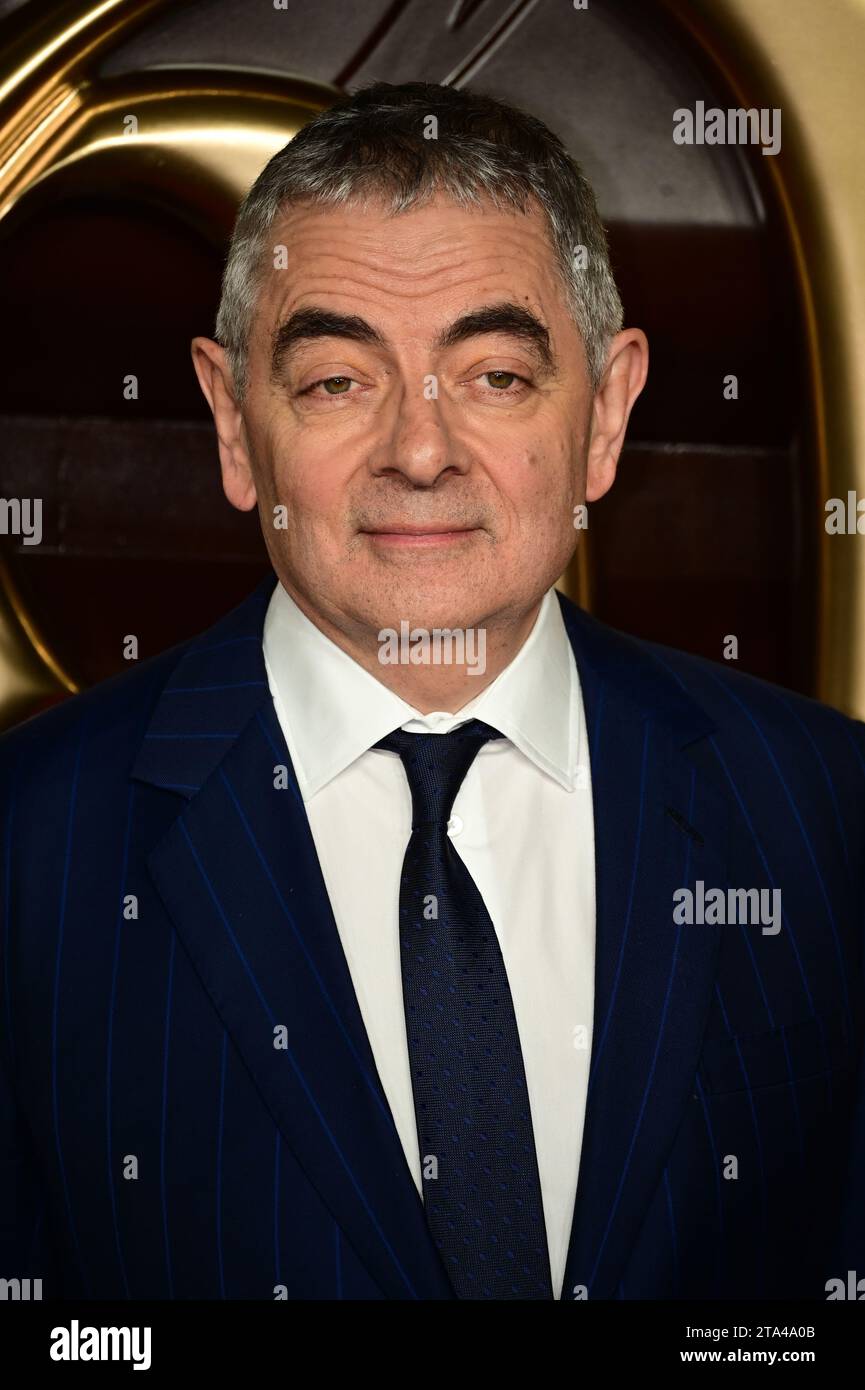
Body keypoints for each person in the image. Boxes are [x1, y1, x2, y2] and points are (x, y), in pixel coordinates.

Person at [1, 81, 862, 1302]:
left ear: (606, 411)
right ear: (234, 423)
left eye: (497, 375)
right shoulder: (29, 847)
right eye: (339, 381)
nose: (420, 448)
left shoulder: (826, 811)